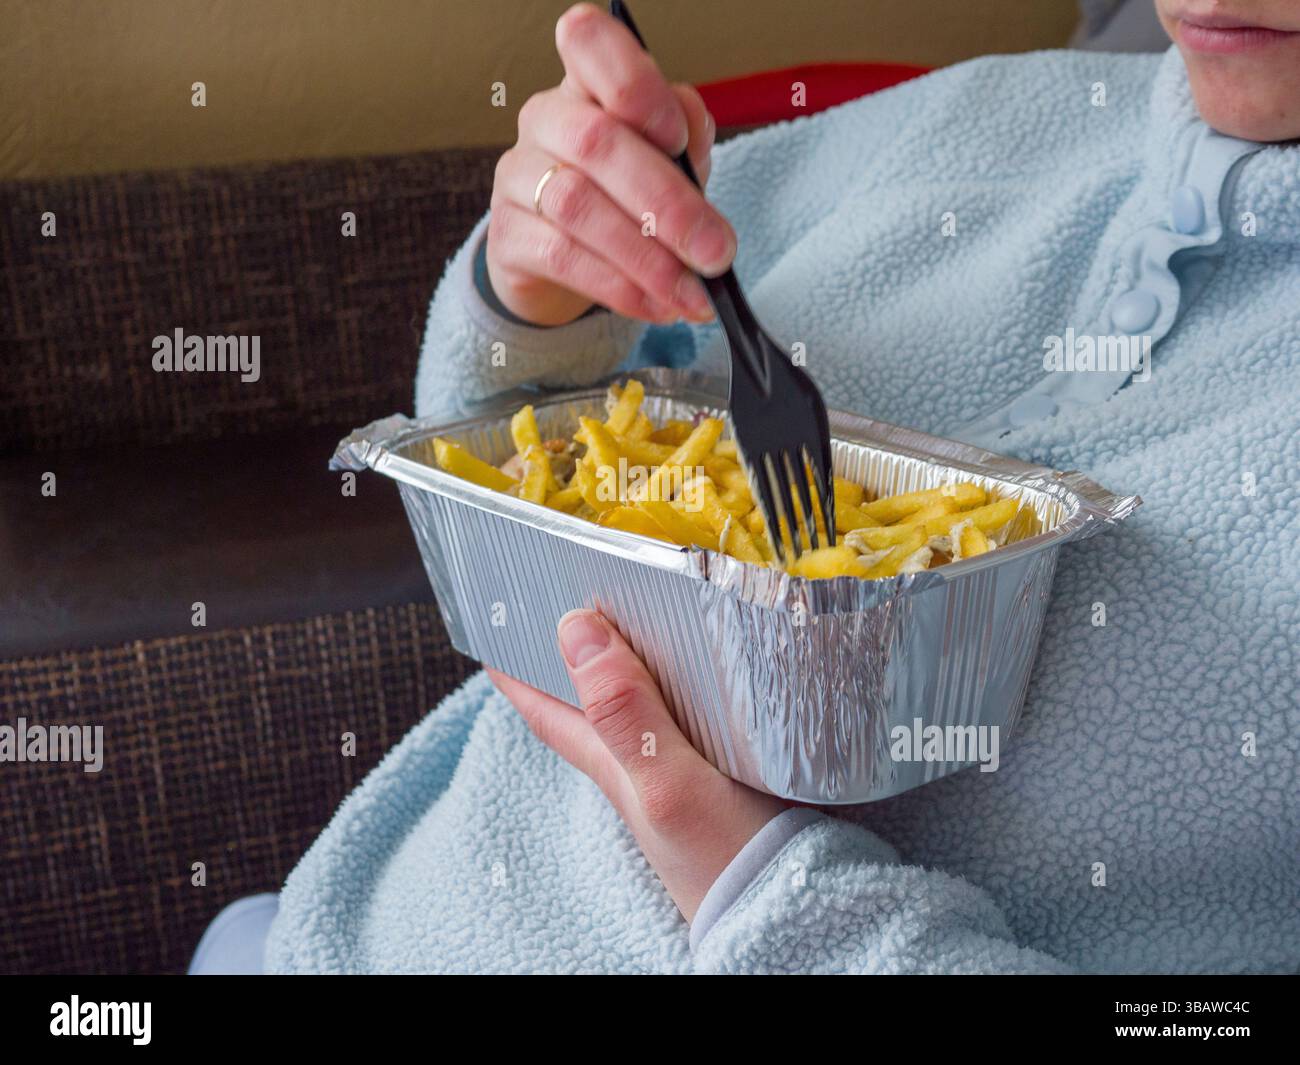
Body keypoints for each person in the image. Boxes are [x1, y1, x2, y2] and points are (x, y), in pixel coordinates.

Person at [196, 1, 1299, 974]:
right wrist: (538, 297)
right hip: (338, 923)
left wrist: (764, 888)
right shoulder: (963, 122)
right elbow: (532, 438)